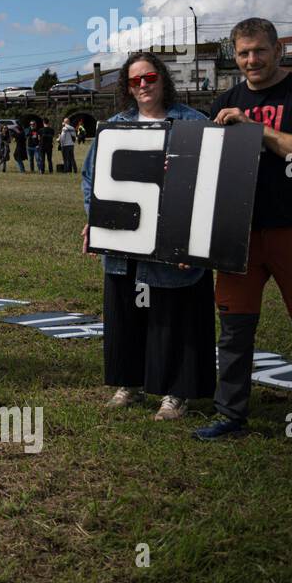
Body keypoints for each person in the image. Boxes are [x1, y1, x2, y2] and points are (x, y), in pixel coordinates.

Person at [192, 17, 292, 460]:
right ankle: (231, 413)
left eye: (259, 50)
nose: (252, 60)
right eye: (243, 53)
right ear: (234, 56)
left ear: (278, 50)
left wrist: (256, 131)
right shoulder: (226, 99)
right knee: (235, 331)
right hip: (239, 235)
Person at [81, 53, 214, 421]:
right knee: (127, 313)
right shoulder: (116, 126)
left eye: (149, 77)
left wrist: (198, 238)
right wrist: (97, 219)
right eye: (134, 80)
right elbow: (92, 178)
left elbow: (208, 183)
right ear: (126, 86)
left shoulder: (193, 123)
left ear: (163, 79)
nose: (142, 85)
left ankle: (176, 392)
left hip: (176, 242)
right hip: (125, 241)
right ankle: (130, 383)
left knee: (175, 316)